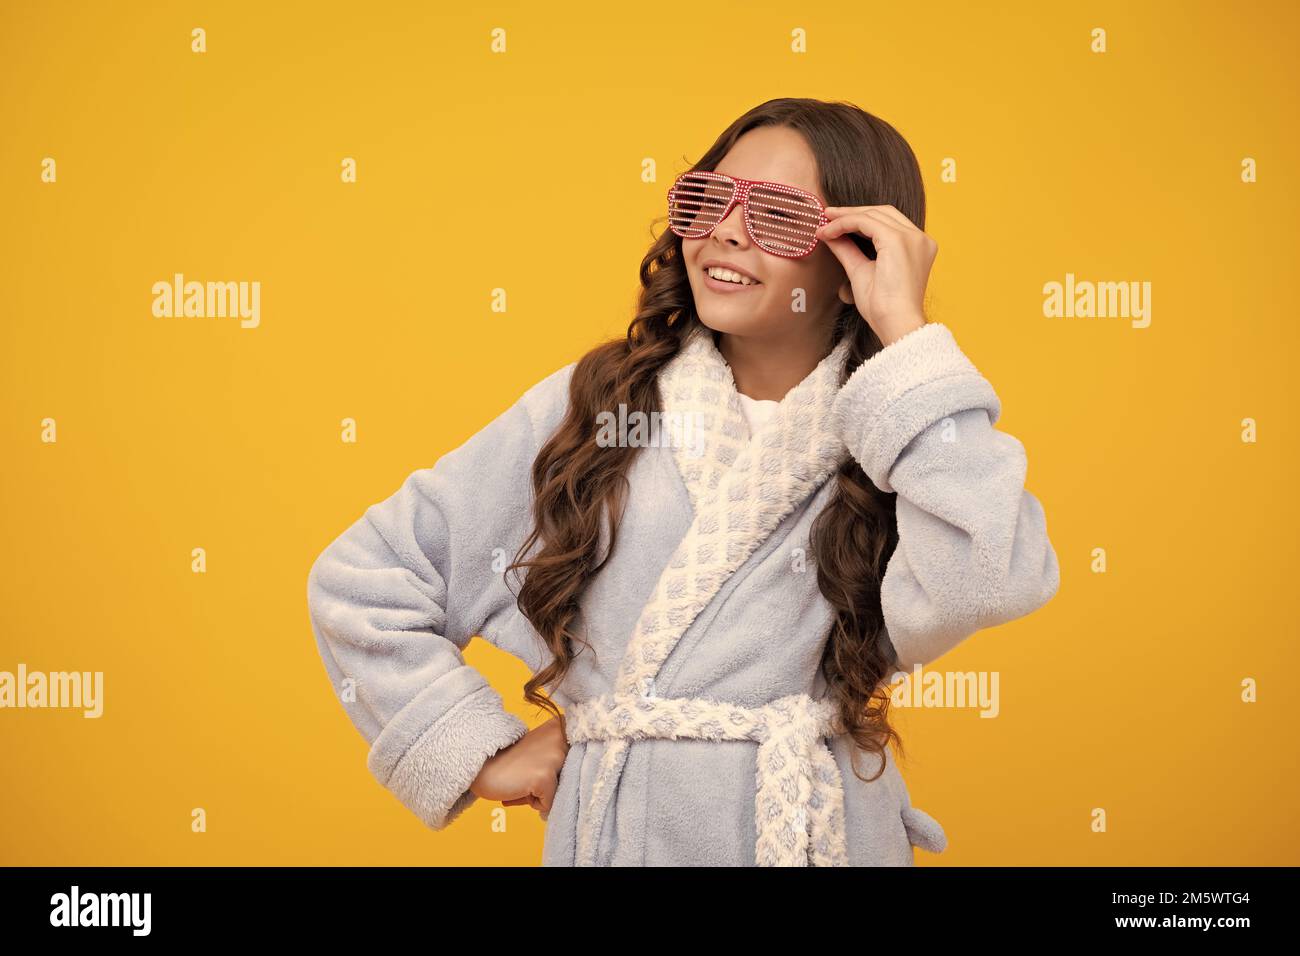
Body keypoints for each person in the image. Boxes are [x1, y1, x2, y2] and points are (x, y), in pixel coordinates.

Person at [306, 97, 1061, 866]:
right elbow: (368, 576)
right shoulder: (599, 405)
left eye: (777, 214)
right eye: (709, 199)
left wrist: (907, 334)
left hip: (818, 832)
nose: (726, 231)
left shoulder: (894, 428)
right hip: (627, 834)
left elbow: (986, 577)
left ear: (857, 260)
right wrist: (478, 752)